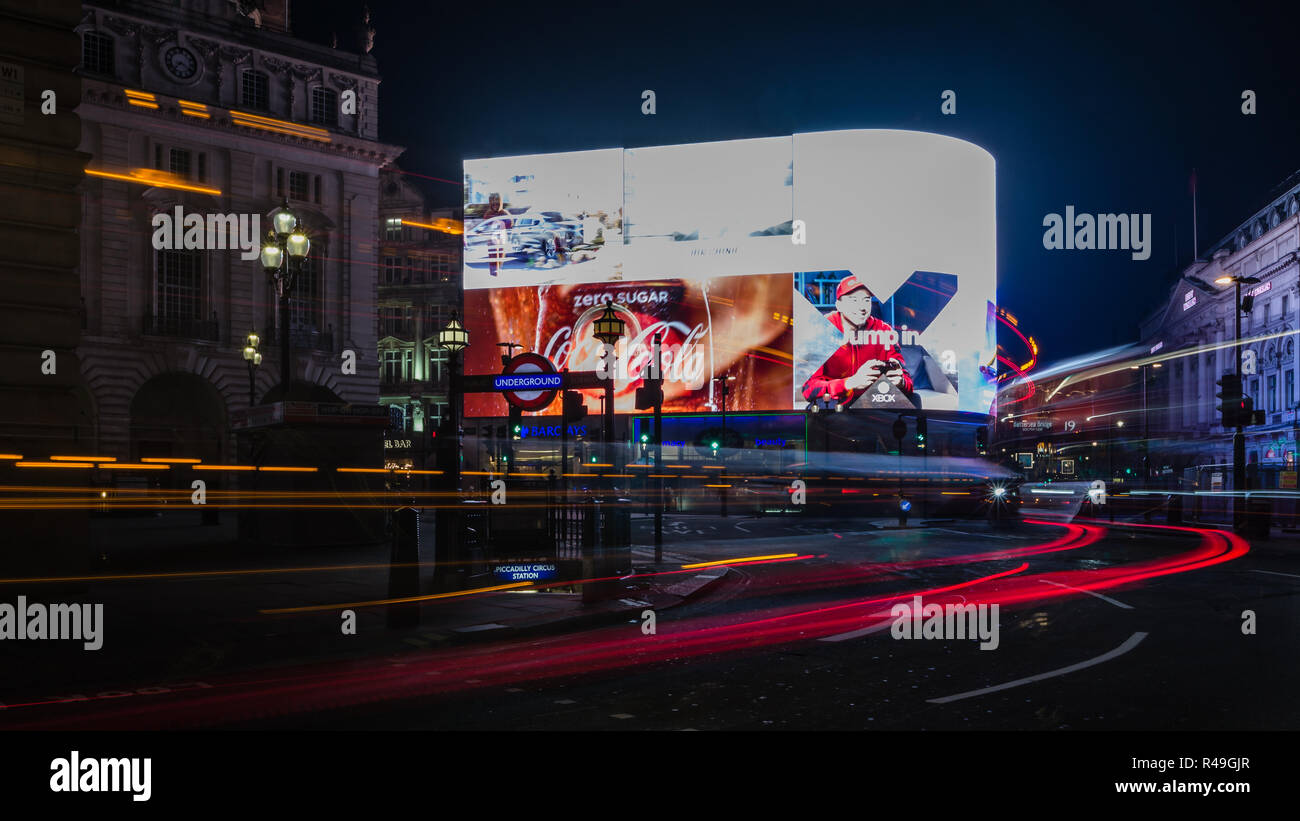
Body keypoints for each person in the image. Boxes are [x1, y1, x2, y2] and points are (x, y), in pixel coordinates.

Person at [802, 274, 913, 406]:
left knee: (913, 400)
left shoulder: (884, 331)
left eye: (866, 300)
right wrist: (850, 383)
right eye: (854, 300)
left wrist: (900, 382)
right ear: (839, 305)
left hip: (873, 402)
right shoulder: (821, 329)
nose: (862, 308)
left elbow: (908, 382)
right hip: (838, 402)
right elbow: (809, 389)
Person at [481, 193, 510, 276]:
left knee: (500, 257)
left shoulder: (504, 213)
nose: (495, 206)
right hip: (492, 240)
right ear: (490, 204)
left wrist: (502, 223)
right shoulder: (488, 214)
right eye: (493, 204)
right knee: (493, 257)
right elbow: (484, 226)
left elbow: (510, 223)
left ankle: (497, 273)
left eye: (497, 204)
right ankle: (494, 274)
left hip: (501, 239)